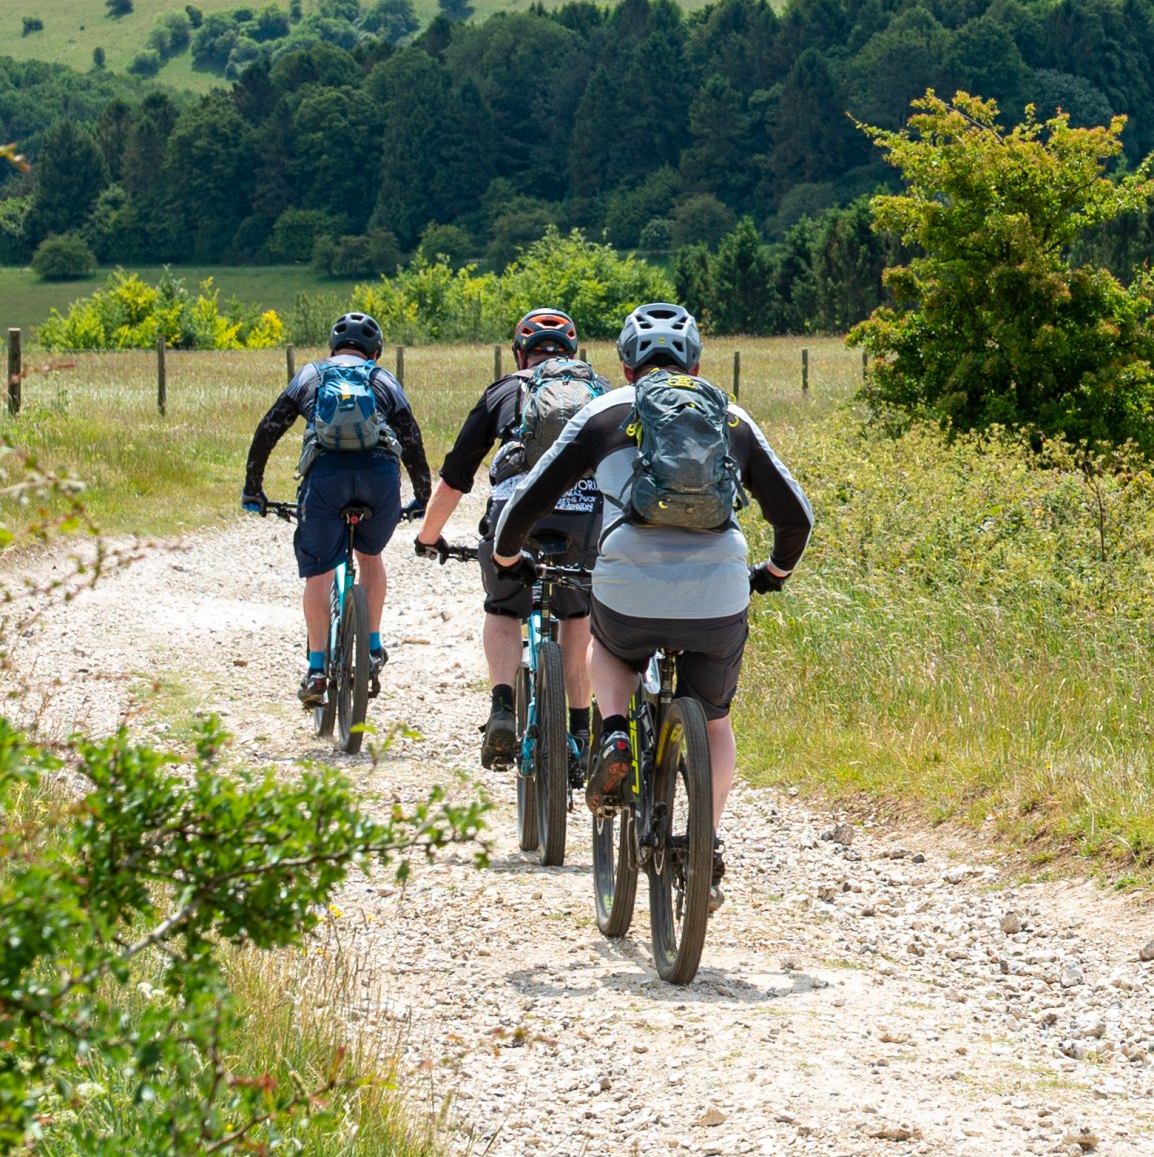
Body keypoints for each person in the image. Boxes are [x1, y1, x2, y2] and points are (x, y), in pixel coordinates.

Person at [491, 301, 813, 907]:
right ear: (696, 360)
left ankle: (613, 732)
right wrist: (771, 572)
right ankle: (707, 844)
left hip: (627, 580)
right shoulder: (731, 418)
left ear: (625, 365)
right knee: (713, 719)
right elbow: (796, 517)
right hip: (719, 586)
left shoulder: (603, 413)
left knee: (608, 648)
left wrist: (509, 558)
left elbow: (527, 501)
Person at [414, 308, 604, 772]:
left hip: (515, 516)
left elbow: (457, 476)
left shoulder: (503, 390)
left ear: (520, 353)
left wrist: (429, 536)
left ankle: (502, 708)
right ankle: (581, 730)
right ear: (572, 355)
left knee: (503, 607)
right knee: (575, 612)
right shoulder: (599, 393)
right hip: (584, 518)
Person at [241, 310, 431, 705]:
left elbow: (270, 427)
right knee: (371, 557)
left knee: (319, 575)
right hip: (378, 480)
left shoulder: (311, 375)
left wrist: (253, 488)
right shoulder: (382, 379)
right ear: (374, 352)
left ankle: (315, 669)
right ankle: (374, 646)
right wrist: (422, 496)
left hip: (325, 479)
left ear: (333, 347)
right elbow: (410, 436)